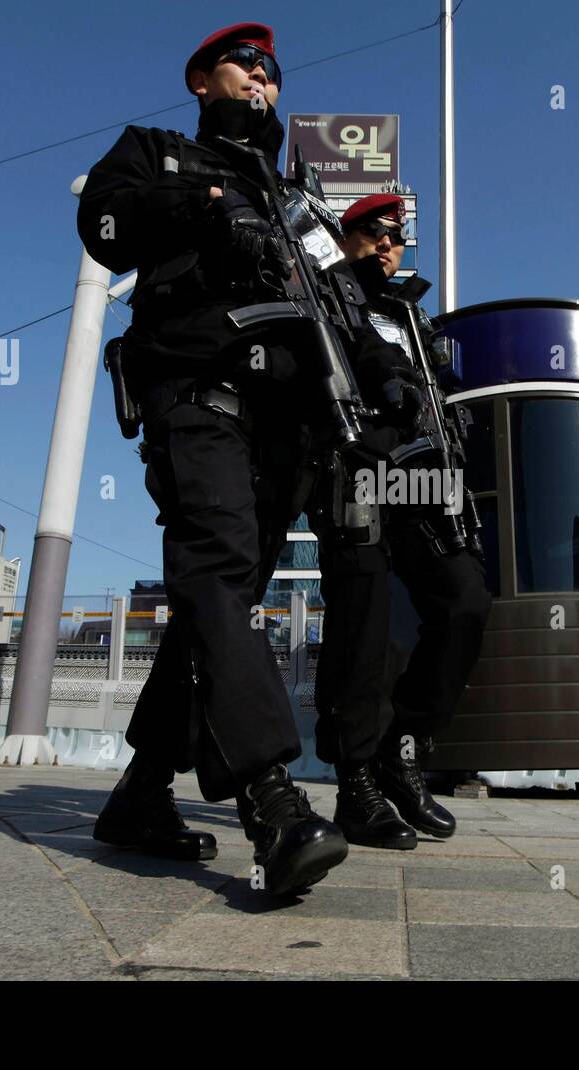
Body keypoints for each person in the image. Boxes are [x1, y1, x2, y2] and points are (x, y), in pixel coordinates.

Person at [77, 22, 348, 896]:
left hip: (291, 424)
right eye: (246, 65)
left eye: (273, 70)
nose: (263, 79)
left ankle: (140, 792)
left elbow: (338, 300)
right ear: (202, 79)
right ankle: (272, 798)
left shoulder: (294, 195)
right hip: (198, 391)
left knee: (217, 598)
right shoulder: (158, 154)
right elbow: (105, 227)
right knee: (217, 565)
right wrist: (201, 205)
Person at [308, 193, 492, 849]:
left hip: (426, 479)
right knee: (367, 623)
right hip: (353, 467)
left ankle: (402, 751)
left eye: (398, 238)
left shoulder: (413, 317)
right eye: (376, 233)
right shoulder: (325, 291)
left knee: (467, 602)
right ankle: (356, 779)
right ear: (348, 235)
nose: (389, 246)